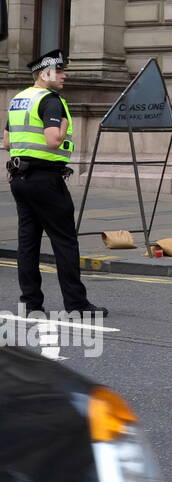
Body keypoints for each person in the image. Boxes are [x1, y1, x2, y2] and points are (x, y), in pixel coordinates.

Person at [4, 49, 105, 317]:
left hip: (19, 177)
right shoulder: (51, 101)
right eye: (58, 71)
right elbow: (52, 140)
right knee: (64, 241)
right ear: (43, 74)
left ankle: (30, 304)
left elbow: (6, 142)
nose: (64, 75)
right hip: (45, 180)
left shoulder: (19, 99)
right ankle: (77, 305)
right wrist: (61, 127)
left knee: (28, 243)